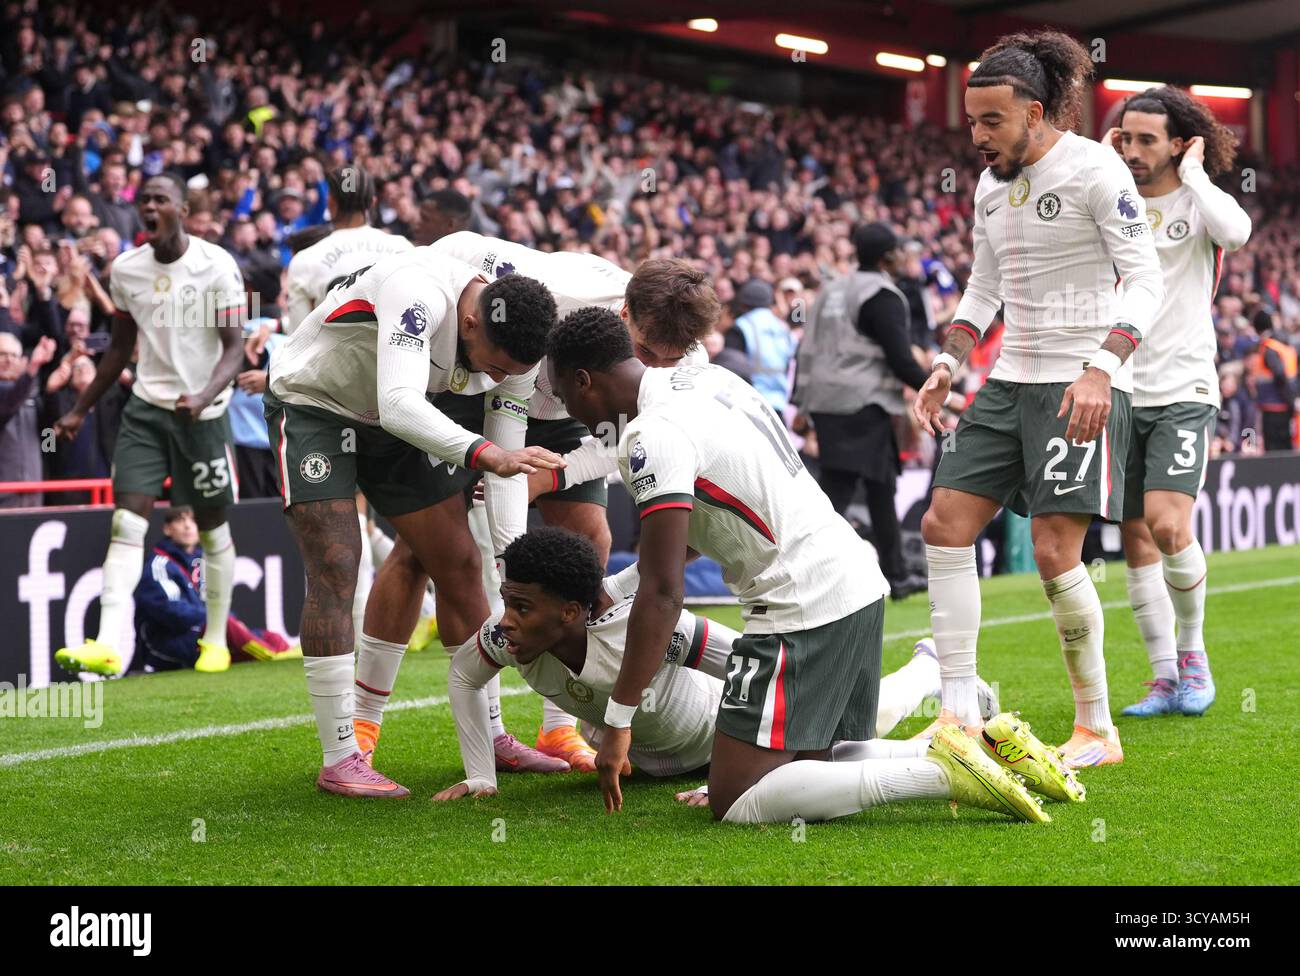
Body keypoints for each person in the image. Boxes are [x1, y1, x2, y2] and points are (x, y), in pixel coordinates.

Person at [545, 308, 1077, 824]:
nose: (571, 413)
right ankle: (983, 746)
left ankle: (939, 770)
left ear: (585, 380)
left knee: (734, 799)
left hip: (799, 605)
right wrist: (620, 585)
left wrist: (618, 721)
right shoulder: (703, 379)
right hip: (853, 579)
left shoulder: (649, 436)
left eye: (564, 395)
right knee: (816, 761)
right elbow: (707, 528)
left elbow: (665, 591)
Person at [354, 245, 719, 774]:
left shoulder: (688, 358)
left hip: (576, 413)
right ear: (623, 317)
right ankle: (365, 721)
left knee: (591, 544)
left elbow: (626, 437)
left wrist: (554, 474)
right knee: (430, 550)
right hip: (487, 389)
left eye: (669, 359)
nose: (655, 369)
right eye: (646, 352)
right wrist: (510, 549)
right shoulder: (544, 290)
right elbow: (445, 260)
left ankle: (557, 728)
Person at [911, 30, 1163, 767]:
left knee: (1055, 551)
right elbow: (983, 285)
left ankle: (1096, 729)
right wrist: (948, 363)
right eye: (971, 121)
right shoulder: (990, 185)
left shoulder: (1095, 170)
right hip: (1009, 377)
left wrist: (1100, 369)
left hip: (1078, 379)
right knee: (944, 523)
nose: (978, 136)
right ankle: (956, 713)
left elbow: (1144, 278)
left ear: (1038, 111)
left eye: (992, 121)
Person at [434, 526, 1053, 822]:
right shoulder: (506, 638)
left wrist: (746, 767)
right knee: (840, 745)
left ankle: (935, 682)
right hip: (650, 762)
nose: (505, 620)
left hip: (721, 732)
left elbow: (750, 667)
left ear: (570, 613)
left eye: (520, 606)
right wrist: (481, 778)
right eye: (507, 602)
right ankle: (955, 726)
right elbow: (464, 678)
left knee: (834, 741)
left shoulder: (650, 631)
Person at [264, 245, 563, 798]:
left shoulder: (520, 344)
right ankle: (340, 756)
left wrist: (510, 557)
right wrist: (482, 453)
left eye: (510, 374)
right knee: (336, 563)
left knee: (458, 563)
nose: (497, 379)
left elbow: (507, 459)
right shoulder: (416, 289)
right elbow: (402, 401)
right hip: (316, 403)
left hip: (389, 419)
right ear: (469, 321)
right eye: (494, 366)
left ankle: (492, 734)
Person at [53, 174, 248, 677]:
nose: (150, 206)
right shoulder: (127, 269)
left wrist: (204, 394)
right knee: (127, 518)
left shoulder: (215, 265)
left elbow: (233, 348)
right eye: (144, 200)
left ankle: (216, 640)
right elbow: (119, 347)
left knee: (211, 526)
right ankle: (107, 642)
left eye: (161, 198)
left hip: (202, 414)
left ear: (182, 208)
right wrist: (82, 407)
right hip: (145, 408)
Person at [1108, 86, 1252, 718]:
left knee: (1168, 523)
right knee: (1135, 533)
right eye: (1125, 137)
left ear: (1178, 142)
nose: (1134, 150)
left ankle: (1193, 654)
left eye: (1147, 139)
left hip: (1185, 385)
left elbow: (1239, 233)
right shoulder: (1109, 201)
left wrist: (1194, 173)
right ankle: (1164, 676)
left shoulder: (1199, 204)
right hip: (1118, 386)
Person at [796, 222, 961, 601]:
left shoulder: (830, 290)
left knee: (877, 487)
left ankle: (895, 574)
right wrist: (937, 388)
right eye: (900, 252)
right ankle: (808, 573)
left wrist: (802, 404)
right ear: (889, 256)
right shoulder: (883, 295)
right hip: (863, 401)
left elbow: (806, 351)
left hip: (826, 402)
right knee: (841, 492)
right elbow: (900, 359)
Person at [134, 506, 300, 671]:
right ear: (167, 529)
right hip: (165, 644)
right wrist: (217, 620)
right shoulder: (159, 565)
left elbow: (215, 604)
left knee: (271, 637)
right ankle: (272, 656)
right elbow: (171, 611)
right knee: (224, 625)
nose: (188, 526)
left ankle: (283, 651)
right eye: (180, 520)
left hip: (199, 635)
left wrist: (225, 621)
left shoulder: (203, 559)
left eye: (193, 520)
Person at [283, 166, 412, 333]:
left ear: (330, 202)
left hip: (331, 358)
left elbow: (298, 337)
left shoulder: (304, 260)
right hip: (391, 356)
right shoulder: (403, 249)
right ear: (373, 203)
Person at [0, 333, 56, 507]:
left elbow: (47, 433)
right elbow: (6, 408)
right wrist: (32, 369)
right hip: (4, 492)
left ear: (21, 360)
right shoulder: (15, 393)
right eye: (2, 354)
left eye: (14, 355)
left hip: (34, 489)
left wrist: (51, 395)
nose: (8, 360)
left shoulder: (32, 394)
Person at [732, 278, 795, 416]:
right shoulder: (784, 328)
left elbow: (732, 365)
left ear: (743, 302)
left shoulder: (742, 325)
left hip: (751, 404)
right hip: (780, 405)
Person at [1250, 309, 1297, 452]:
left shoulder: (1269, 348)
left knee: (1275, 451)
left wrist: (1291, 401)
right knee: (1286, 448)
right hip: (1285, 405)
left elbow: (1280, 375)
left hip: (1273, 407)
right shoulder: (1284, 345)